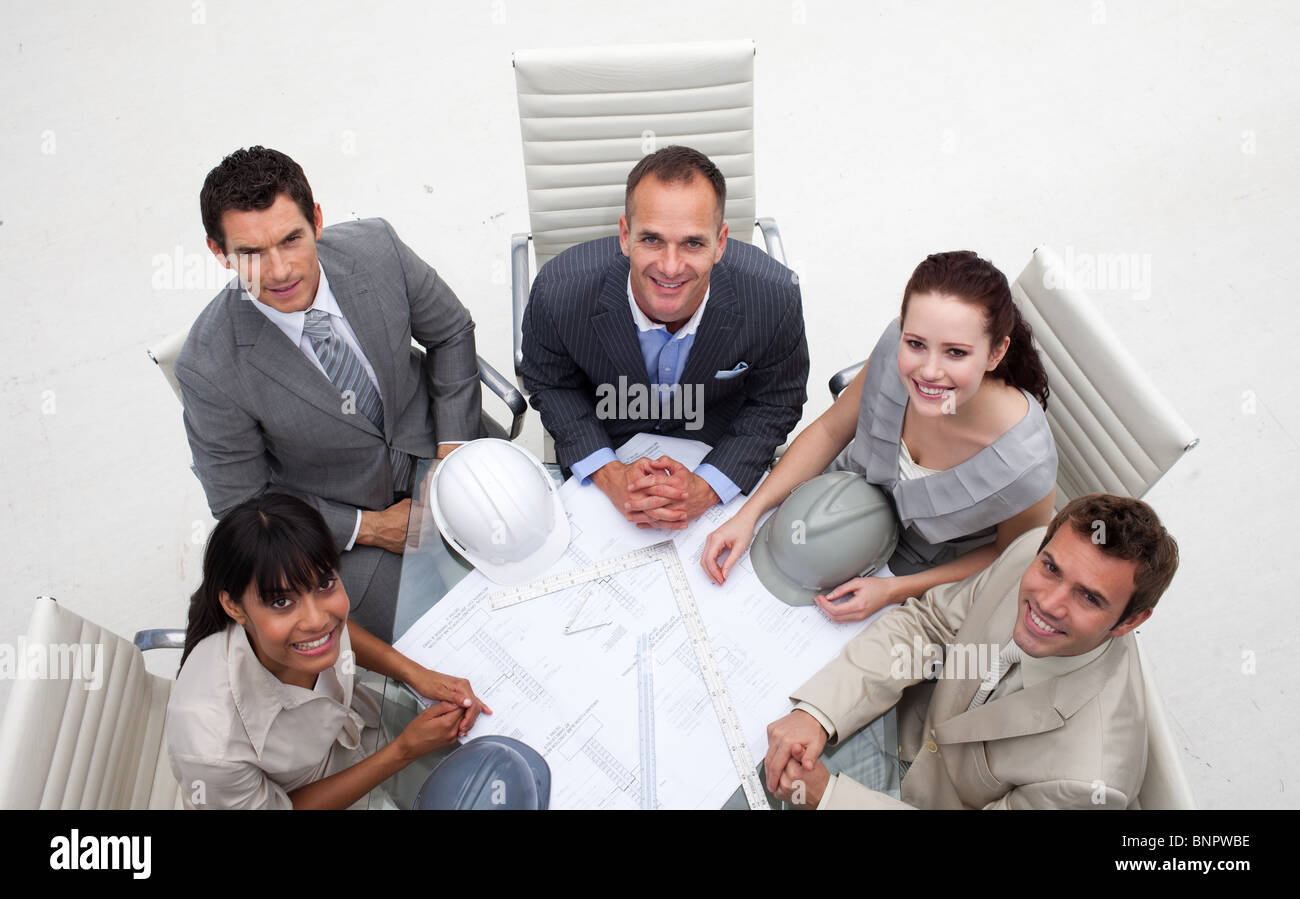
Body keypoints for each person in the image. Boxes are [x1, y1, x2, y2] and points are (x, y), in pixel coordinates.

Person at [177, 146, 483, 641]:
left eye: (291, 239)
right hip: (347, 536)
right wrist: (370, 527)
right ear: (219, 252)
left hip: (443, 449)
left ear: (316, 220)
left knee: (544, 570)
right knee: (455, 642)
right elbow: (243, 504)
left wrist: (452, 453)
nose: (279, 272)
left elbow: (449, 332)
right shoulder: (208, 365)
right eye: (251, 253)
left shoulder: (377, 247)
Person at [703, 250, 1057, 621]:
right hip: (831, 504)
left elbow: (1009, 554)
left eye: (956, 352)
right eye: (916, 343)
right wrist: (749, 514)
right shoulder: (894, 348)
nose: (929, 371)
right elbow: (830, 429)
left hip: (915, 573)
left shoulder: (1027, 465)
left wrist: (891, 592)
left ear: (996, 352)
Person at [764, 493, 1179, 809]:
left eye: (1089, 597)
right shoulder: (1034, 549)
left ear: (1130, 622)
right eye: (1050, 569)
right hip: (893, 720)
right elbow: (927, 627)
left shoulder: (1088, 781)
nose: (1049, 603)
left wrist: (830, 799)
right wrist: (817, 715)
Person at [518, 145, 809, 530]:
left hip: (718, 443)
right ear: (625, 235)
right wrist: (607, 472)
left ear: (720, 242)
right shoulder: (559, 292)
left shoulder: (773, 297)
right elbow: (551, 383)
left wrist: (709, 485)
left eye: (692, 243)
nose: (670, 268)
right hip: (608, 435)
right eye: (652, 240)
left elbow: (777, 400)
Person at [165, 493, 492, 810]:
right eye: (281, 602)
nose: (318, 619)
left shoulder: (295, 636)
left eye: (324, 584)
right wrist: (403, 750)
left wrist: (417, 675)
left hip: (366, 733)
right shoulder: (210, 748)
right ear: (233, 607)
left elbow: (337, 630)